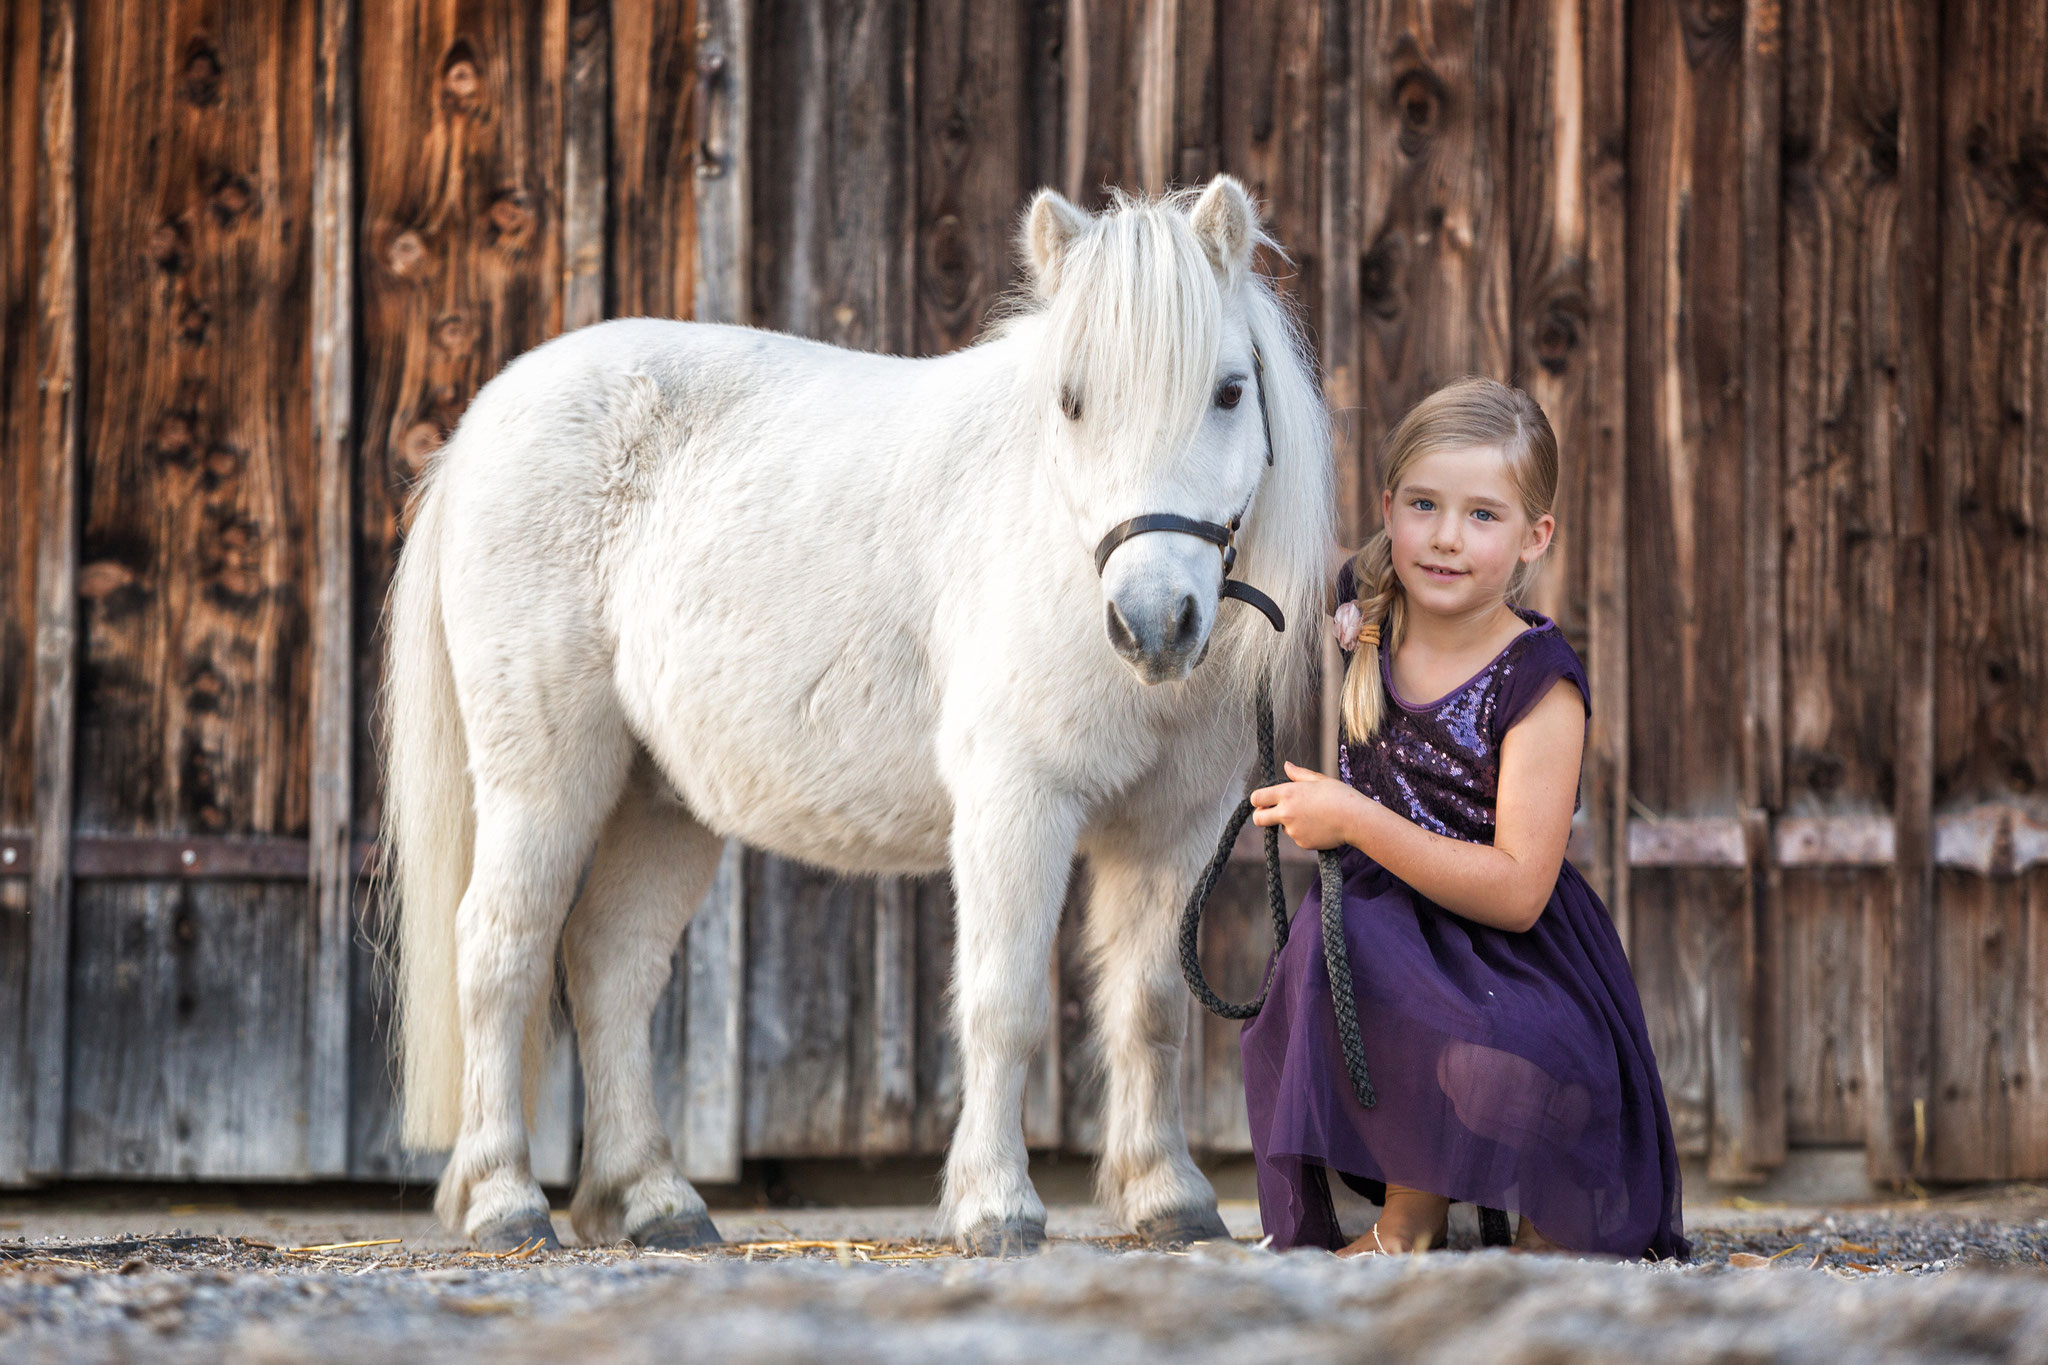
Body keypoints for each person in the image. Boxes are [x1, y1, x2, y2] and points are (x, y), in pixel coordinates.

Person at [1241, 377, 1690, 1262]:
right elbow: (1252, 527)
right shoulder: (1363, 603)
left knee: (1518, 1063)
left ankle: (1553, 1221)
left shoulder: (1538, 681)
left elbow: (1520, 891)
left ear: (1535, 537)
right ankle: (1409, 1220)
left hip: (1512, 952)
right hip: (1390, 933)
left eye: (1484, 515)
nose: (1446, 536)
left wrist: (1355, 819)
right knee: (1343, 951)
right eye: (1424, 505)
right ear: (1389, 508)